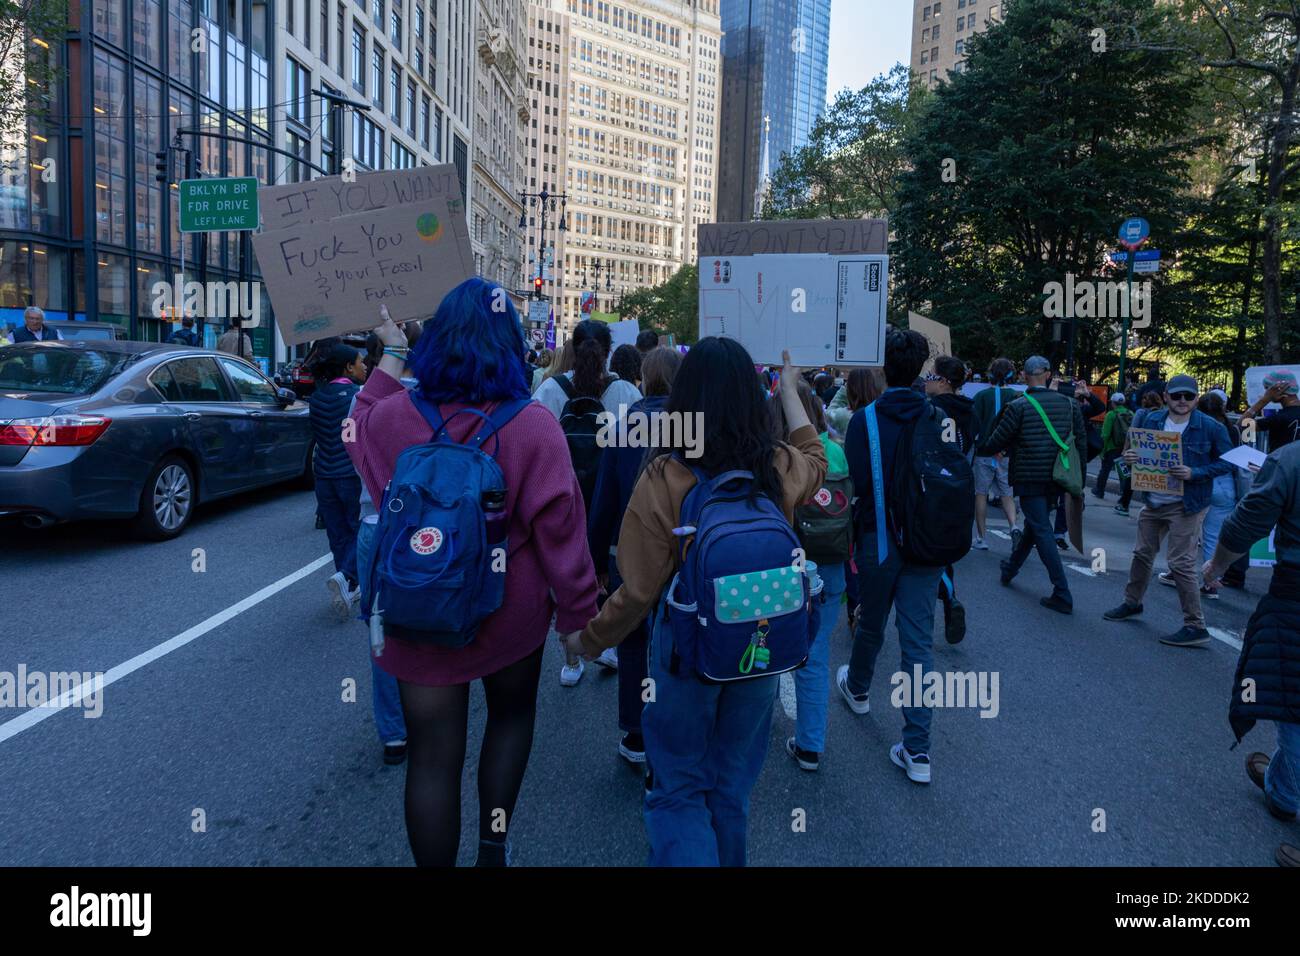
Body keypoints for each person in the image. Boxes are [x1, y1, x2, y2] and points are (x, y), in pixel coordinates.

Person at [346, 285, 599, 867]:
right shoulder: (534, 425)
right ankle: (493, 847)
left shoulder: (390, 421)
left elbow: (354, 431)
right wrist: (578, 617)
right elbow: (563, 529)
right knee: (510, 720)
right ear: (511, 342)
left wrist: (391, 352)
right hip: (508, 609)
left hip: (418, 605)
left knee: (433, 756)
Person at [567, 339, 827, 866]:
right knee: (730, 789)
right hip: (759, 648)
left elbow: (636, 591)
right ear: (754, 400)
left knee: (677, 788)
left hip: (686, 651)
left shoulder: (664, 474)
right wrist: (790, 385)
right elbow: (816, 455)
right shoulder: (776, 465)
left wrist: (587, 640)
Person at [837, 328, 946, 783]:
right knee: (918, 643)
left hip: (877, 539)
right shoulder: (937, 416)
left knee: (871, 620)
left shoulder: (864, 421)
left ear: (882, 368)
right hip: (926, 541)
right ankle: (917, 750)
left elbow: (856, 483)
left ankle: (858, 687)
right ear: (922, 368)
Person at [1203, 441, 1300, 867]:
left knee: (1293, 698)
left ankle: (1286, 790)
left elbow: (1245, 524)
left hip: (1296, 596)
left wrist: (1217, 566)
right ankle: (1283, 788)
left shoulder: (1291, 459)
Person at [587, 346, 682, 765]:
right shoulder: (694, 427)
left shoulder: (624, 426)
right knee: (679, 638)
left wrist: (593, 562)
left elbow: (604, 501)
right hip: (682, 552)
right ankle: (676, 722)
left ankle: (635, 730)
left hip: (630, 550)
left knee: (631, 638)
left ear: (644, 377)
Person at [1103, 375, 1234, 647]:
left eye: (1188, 396)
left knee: (1180, 563)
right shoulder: (1149, 420)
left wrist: (1194, 472)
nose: (1182, 401)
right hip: (1154, 499)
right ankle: (1132, 602)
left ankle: (1195, 625)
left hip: (1188, 503)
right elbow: (1132, 453)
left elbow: (1228, 463)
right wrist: (1129, 458)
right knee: (1141, 554)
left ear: (1197, 398)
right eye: (1177, 396)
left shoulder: (1210, 427)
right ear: (1165, 396)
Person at [771, 378, 849, 771]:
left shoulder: (773, 456)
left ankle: (760, 712)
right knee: (816, 655)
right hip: (830, 562)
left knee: (765, 639)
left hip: (783, 563)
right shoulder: (834, 451)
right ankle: (810, 744)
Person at [978, 355, 1086, 615]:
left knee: (1040, 528)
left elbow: (994, 442)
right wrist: (1077, 481)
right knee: (1035, 525)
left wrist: (986, 448)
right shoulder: (1070, 405)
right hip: (1059, 476)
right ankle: (1011, 568)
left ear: (1024, 377)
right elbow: (1080, 444)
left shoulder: (1019, 406)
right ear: (1048, 374)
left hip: (1028, 476)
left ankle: (1062, 592)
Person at [310, 342, 368, 619]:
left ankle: (346, 583)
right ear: (348, 368)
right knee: (360, 530)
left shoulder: (317, 397)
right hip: (350, 474)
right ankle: (347, 577)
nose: (365, 366)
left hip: (324, 475)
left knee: (337, 533)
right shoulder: (358, 396)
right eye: (360, 362)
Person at [925, 355, 975, 644]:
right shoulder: (971, 410)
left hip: (933, 483)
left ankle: (942, 599)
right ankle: (949, 598)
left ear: (943, 381)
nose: (927, 380)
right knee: (942, 550)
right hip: (961, 484)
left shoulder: (933, 409)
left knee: (927, 550)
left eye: (931, 376)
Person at [1193, 391, 1247, 601]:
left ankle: (1179, 572)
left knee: (1188, 531)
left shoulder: (1199, 428)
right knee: (1213, 536)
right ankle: (1211, 582)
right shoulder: (1231, 429)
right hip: (1225, 484)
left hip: (1200, 479)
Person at [970, 357, 1021, 551]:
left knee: (981, 494)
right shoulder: (1017, 396)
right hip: (1006, 453)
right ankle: (1014, 526)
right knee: (1007, 494)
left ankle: (982, 538)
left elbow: (974, 424)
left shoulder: (981, 396)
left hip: (984, 451)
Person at [1241, 370, 1300, 452]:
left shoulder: (1279, 418)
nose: (1266, 393)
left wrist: (1264, 400)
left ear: (1279, 389)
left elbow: (1241, 425)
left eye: (1268, 389)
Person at [1093, 392, 1133, 500]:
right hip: (1125, 448)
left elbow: (1105, 435)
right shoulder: (1131, 414)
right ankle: (1124, 494)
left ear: (1112, 403)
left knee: (1105, 470)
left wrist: (1102, 451)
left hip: (1111, 448)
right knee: (1124, 471)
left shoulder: (1111, 415)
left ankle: (1099, 490)